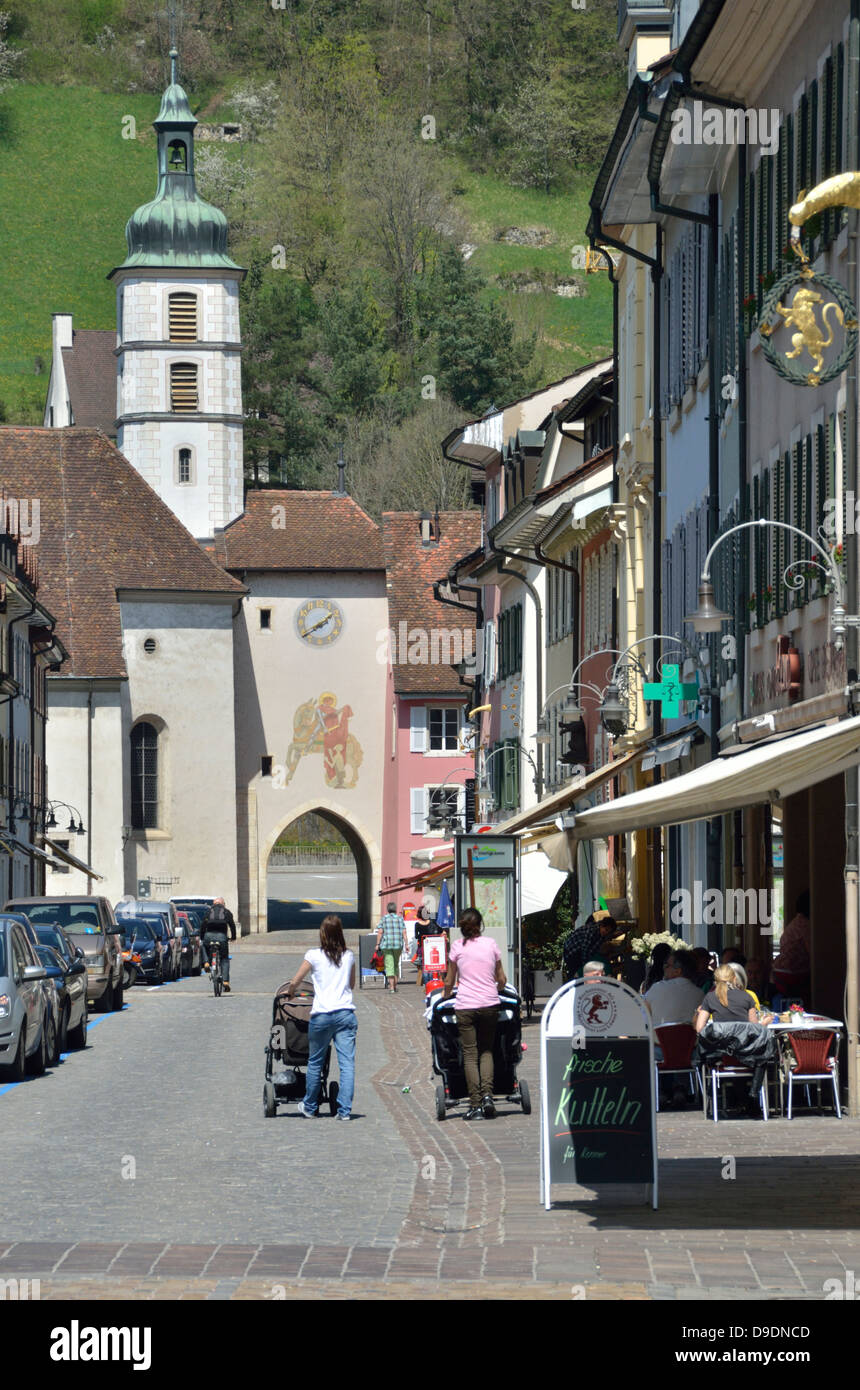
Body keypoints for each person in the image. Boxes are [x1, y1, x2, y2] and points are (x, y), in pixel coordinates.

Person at [285, 915, 356, 1120]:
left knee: (315, 1061)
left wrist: (290, 992)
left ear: (322, 934)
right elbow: (351, 985)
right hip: (345, 1014)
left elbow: (296, 980)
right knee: (347, 1064)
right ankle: (344, 1111)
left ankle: (309, 1105)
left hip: (322, 1015)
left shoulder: (313, 955)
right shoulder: (349, 955)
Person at [442, 908, 506, 1121]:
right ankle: (489, 1097)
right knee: (486, 1051)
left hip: (466, 1006)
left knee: (470, 1053)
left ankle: (475, 1104)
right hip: (489, 1004)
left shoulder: (457, 947)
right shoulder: (490, 945)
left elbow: (450, 980)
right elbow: (501, 978)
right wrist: (496, 988)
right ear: (480, 924)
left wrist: (445, 995)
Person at [694, 965, 774, 1030]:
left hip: (719, 1047)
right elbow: (756, 1030)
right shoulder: (746, 996)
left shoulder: (710, 997)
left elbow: (699, 1029)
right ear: (735, 979)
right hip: (742, 1047)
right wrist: (765, 1022)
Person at [644, 948, 704, 1027]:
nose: (664, 968)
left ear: (677, 971)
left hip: (659, 1038)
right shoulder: (700, 994)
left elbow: (644, 1016)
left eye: (667, 965)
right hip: (689, 1039)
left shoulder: (657, 988)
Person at [562, 910, 616, 981]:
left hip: (579, 952)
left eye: (609, 932)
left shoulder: (601, 934)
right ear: (602, 925)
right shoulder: (591, 930)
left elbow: (594, 951)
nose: (606, 933)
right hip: (571, 951)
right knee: (576, 972)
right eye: (606, 930)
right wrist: (587, 966)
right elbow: (585, 949)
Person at [201, 897, 236, 993]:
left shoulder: (209, 911)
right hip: (222, 937)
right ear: (223, 904)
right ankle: (225, 981)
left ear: (214, 904)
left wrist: (202, 937)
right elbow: (232, 925)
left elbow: (203, 925)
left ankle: (206, 962)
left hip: (209, 936)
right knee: (224, 959)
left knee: (203, 946)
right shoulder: (227, 912)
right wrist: (233, 937)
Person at [773, 889, 810, 976]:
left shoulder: (795, 923)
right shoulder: (805, 925)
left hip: (781, 970)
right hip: (791, 973)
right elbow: (813, 952)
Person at [375, 901, 408, 992]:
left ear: (388, 910)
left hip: (387, 945)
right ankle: (395, 986)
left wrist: (377, 944)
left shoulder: (384, 919)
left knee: (389, 965)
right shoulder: (400, 919)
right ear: (395, 909)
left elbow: (380, 932)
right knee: (396, 965)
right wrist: (407, 944)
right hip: (398, 945)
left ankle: (392, 988)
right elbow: (404, 932)